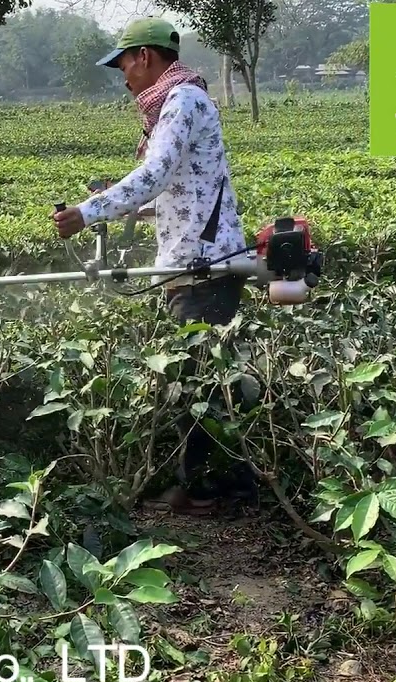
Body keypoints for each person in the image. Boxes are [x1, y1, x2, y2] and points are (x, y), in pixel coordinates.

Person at [52, 17, 256, 515]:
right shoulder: (176, 101)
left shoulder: (183, 100)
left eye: (123, 63)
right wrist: (123, 205)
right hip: (193, 264)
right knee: (204, 379)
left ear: (143, 56)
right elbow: (176, 188)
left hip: (203, 266)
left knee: (199, 383)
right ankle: (226, 485)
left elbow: (156, 172)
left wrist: (88, 212)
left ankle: (205, 492)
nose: (122, 76)